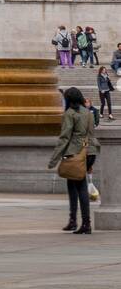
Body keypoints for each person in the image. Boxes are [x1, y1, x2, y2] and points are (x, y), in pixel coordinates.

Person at [48, 86, 97, 235]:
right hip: (90, 151)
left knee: (80, 187)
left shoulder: (70, 114)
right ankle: (73, 220)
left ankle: (85, 223)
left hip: (75, 153)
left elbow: (64, 138)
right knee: (72, 183)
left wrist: (54, 159)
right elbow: (91, 132)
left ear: (68, 99)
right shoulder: (88, 112)